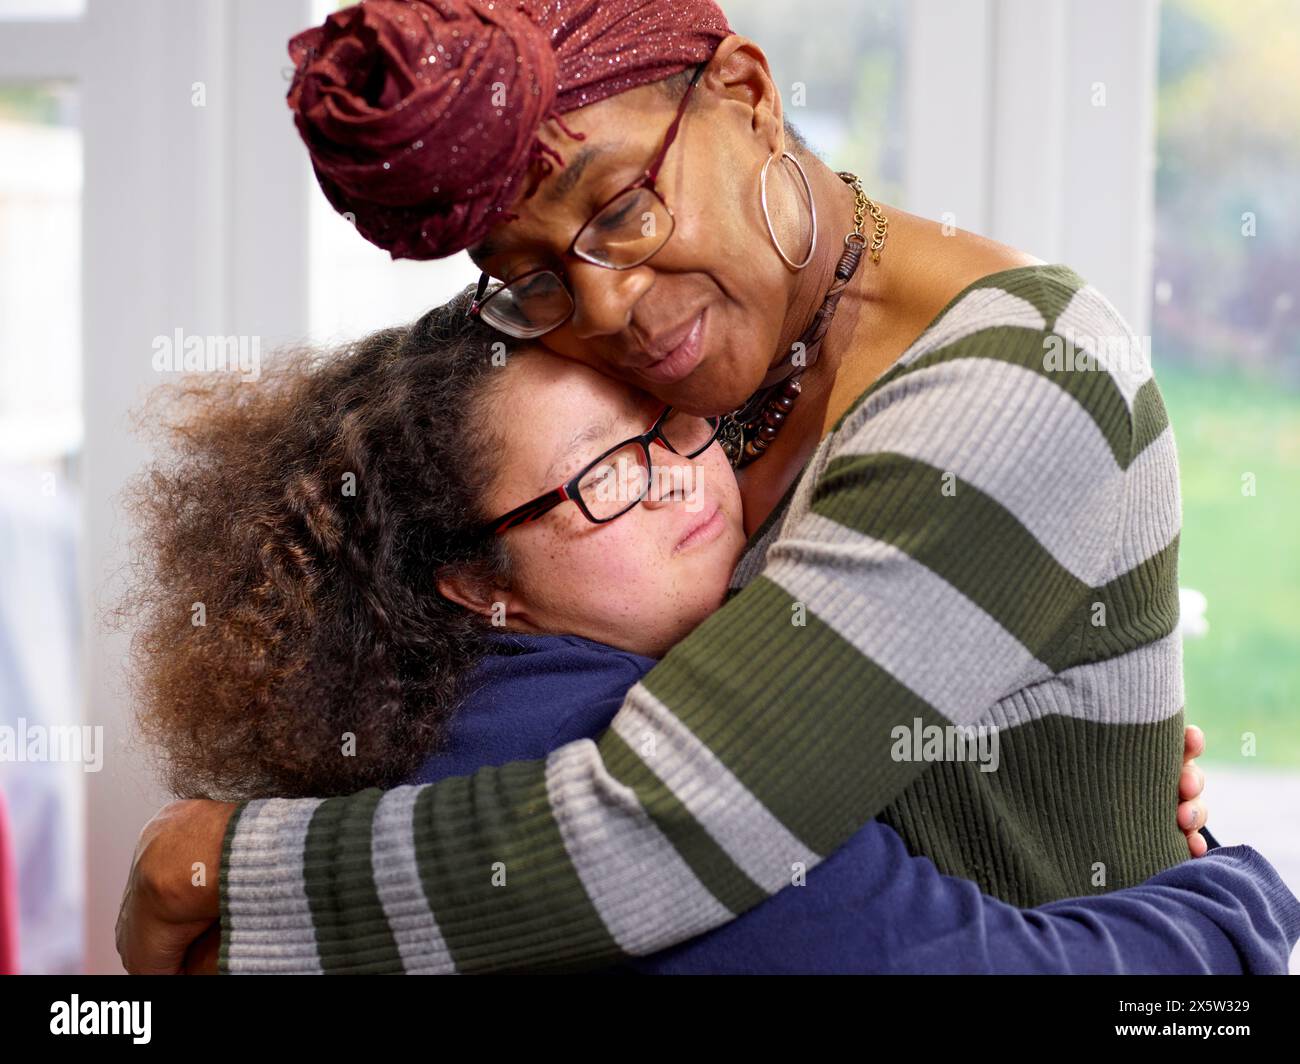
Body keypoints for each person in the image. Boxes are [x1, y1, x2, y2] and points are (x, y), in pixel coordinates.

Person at [118, 0, 1250, 974]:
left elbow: (675, 818)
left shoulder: (1017, 378)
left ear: (747, 91)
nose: (603, 305)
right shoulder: (685, 372)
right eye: (534, 276)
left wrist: (227, 865)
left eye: (620, 209)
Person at [119, 296, 1295, 974]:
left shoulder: (513, 687)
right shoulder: (584, 739)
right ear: (481, 584)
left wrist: (1082, 784)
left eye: (676, 425)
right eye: (604, 473)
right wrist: (1232, 896)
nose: (680, 477)